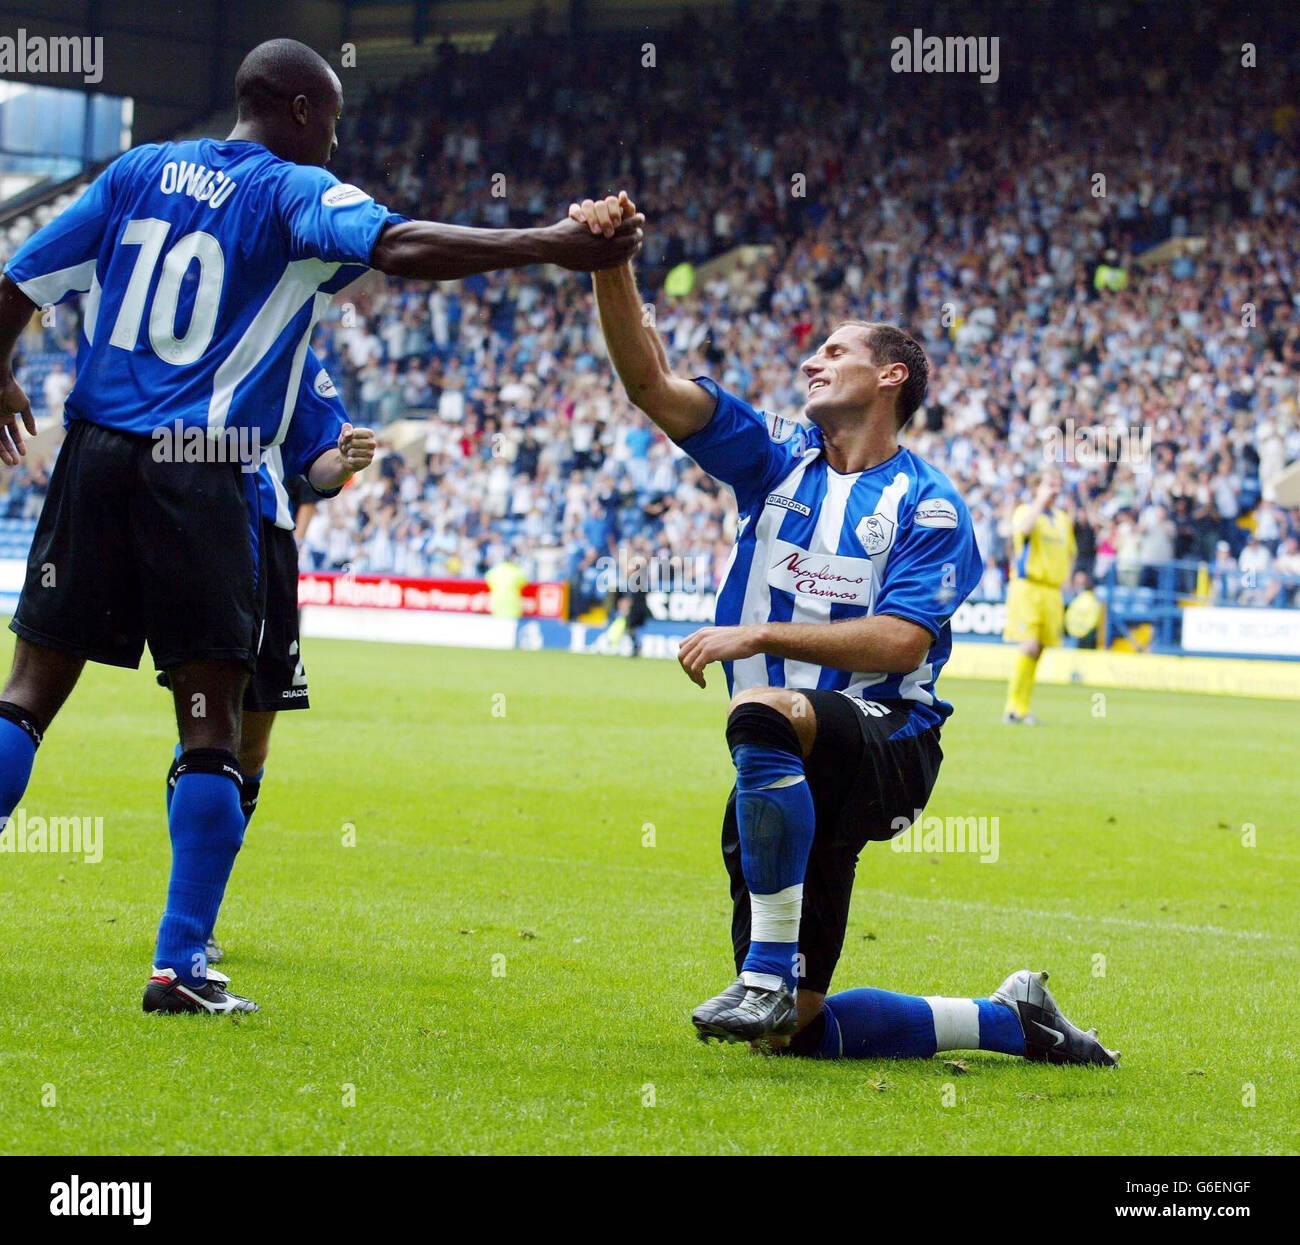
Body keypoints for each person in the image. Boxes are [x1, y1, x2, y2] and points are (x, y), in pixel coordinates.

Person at [0, 37, 641, 1016]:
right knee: (211, 726)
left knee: (26, 698)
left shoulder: (133, 171)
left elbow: (16, 280)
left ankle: (183, 953)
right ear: (300, 112)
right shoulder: (293, 191)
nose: (335, 141)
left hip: (92, 457)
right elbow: (402, 246)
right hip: (204, 468)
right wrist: (553, 244)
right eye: (333, 121)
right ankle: (178, 966)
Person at [573, 193, 1117, 1065]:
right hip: (783, 759)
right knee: (796, 1034)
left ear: (891, 375)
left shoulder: (931, 504)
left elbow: (903, 642)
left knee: (762, 712)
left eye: (835, 351)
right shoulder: (776, 456)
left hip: (889, 740)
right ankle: (1014, 1019)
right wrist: (607, 261)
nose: (811, 364)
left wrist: (756, 641)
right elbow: (650, 384)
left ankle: (763, 970)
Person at [158, 353, 368, 971]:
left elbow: (320, 467)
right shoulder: (193, 336)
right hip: (194, 526)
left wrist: (345, 461)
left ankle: (199, 915)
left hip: (268, 540)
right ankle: (186, 926)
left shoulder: (295, 345)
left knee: (252, 743)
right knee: (206, 732)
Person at [1002, 470, 1075, 724]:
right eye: (1049, 483)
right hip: (1028, 587)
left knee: (1039, 650)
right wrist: (1040, 502)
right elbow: (1024, 530)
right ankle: (1012, 708)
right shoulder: (1026, 511)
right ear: (1037, 487)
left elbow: (1070, 552)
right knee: (1029, 646)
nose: (1055, 487)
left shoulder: (1063, 519)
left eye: (1058, 483)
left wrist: (1068, 579)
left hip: (1052, 591)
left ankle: (1022, 709)